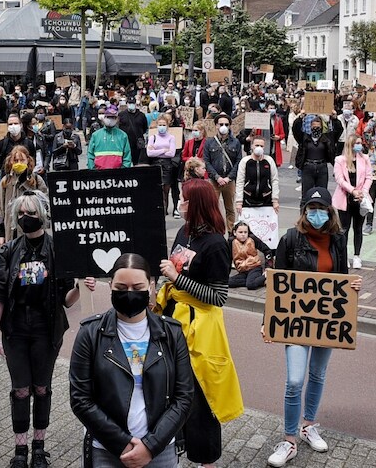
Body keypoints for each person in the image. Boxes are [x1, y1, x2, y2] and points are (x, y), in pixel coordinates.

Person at [0, 191, 88, 468]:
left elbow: (66, 299)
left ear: (41, 215)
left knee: (42, 388)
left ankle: (39, 448)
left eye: (30, 213)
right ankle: (20, 450)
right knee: (20, 389)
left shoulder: (57, 250)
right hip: (15, 332)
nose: (25, 218)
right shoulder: (9, 251)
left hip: (46, 331)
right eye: (20, 213)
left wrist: (80, 287)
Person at [265, 186, 362, 467]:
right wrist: (267, 322)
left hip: (325, 322)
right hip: (295, 322)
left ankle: (308, 425)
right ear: (304, 211)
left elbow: (341, 279)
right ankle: (289, 439)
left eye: (321, 209)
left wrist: (353, 286)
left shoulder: (338, 240)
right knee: (295, 381)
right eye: (311, 209)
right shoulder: (290, 239)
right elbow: (278, 286)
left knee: (317, 374)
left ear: (330, 212)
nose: (316, 214)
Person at [69, 254, 193, 468]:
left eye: (137, 287)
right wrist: (121, 443)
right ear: (110, 286)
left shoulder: (171, 333)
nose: (129, 293)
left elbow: (184, 397)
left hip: (161, 450)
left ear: (151, 286)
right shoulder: (90, 334)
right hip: (106, 449)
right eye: (121, 287)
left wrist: (150, 446)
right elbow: (80, 398)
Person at [155, 179, 243, 468]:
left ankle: (207, 460)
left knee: (200, 394)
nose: (180, 204)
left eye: (184, 200)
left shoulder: (216, 244)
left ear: (197, 205)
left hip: (200, 327)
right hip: (173, 318)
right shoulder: (185, 231)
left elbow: (219, 296)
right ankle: (175, 446)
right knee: (172, 389)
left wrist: (176, 278)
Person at [332, 134, 371, 269]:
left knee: (358, 228)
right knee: (344, 229)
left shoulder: (365, 158)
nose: (360, 146)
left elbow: (369, 177)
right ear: (350, 145)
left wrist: (363, 192)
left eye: (360, 143)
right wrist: (352, 190)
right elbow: (339, 179)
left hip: (360, 199)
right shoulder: (340, 160)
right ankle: (344, 256)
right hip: (345, 198)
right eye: (357, 143)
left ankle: (357, 256)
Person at [0, 146, 47, 246]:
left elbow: (45, 206)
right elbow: (0, 209)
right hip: (11, 233)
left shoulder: (36, 180)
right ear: (11, 161)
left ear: (28, 160)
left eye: (22, 160)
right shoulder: (6, 181)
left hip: (33, 233)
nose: (19, 163)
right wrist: (1, 234)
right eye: (16, 160)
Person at [234, 135, 280, 218]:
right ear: (252, 146)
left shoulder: (269, 160)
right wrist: (239, 202)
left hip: (266, 198)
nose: (259, 148)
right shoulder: (245, 161)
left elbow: (274, 180)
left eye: (261, 146)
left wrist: (275, 200)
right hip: (248, 198)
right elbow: (240, 181)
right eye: (257, 145)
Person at [147, 116, 179, 215]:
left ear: (167, 126)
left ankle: (164, 211)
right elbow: (149, 153)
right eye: (160, 125)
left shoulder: (171, 138)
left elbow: (172, 153)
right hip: (155, 164)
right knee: (157, 190)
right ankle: (158, 211)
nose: (162, 127)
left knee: (165, 190)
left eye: (164, 125)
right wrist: (164, 150)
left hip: (167, 166)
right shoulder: (152, 138)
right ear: (157, 125)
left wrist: (156, 150)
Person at [227, 220, 270, 290]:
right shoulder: (231, 242)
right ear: (234, 232)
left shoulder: (252, 238)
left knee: (251, 285)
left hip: (254, 267)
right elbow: (228, 259)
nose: (243, 234)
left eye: (245, 232)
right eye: (240, 232)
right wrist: (226, 273)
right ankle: (258, 281)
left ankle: (266, 276)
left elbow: (267, 251)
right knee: (228, 282)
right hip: (242, 270)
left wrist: (268, 268)